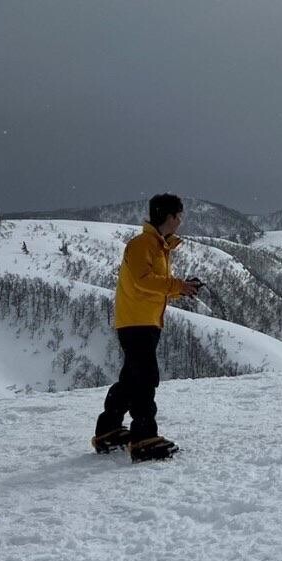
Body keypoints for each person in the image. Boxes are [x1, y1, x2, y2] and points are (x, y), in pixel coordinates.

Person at [92, 193, 201, 461]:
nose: (181, 220)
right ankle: (143, 438)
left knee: (131, 378)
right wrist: (176, 285)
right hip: (136, 320)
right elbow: (143, 280)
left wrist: (181, 289)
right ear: (170, 216)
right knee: (145, 378)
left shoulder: (158, 246)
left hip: (144, 319)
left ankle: (109, 430)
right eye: (179, 215)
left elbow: (153, 285)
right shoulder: (142, 244)